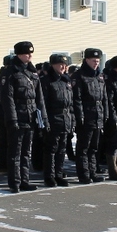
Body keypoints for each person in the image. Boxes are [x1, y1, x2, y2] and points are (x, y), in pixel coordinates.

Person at [1, 41, 48, 192]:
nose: (30, 56)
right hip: (18, 117)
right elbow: (7, 98)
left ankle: (24, 180)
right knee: (15, 152)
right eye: (27, 53)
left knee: (26, 152)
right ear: (19, 54)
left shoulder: (32, 73)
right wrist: (12, 119)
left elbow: (39, 99)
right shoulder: (11, 72)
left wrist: (43, 119)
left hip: (31, 117)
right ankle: (14, 182)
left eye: (31, 53)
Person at [72, 48, 108, 184]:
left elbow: (104, 98)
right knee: (83, 148)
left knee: (94, 148)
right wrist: (80, 117)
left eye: (98, 61)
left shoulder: (99, 76)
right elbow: (77, 99)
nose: (96, 63)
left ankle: (93, 172)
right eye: (93, 61)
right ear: (86, 60)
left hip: (97, 116)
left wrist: (105, 114)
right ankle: (84, 174)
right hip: (86, 117)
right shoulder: (79, 76)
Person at [41, 54, 74, 187]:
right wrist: (45, 121)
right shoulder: (47, 81)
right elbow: (43, 103)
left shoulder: (66, 81)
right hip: (53, 119)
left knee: (62, 150)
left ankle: (59, 174)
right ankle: (49, 176)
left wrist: (72, 120)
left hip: (65, 119)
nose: (63, 67)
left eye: (65, 65)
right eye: (60, 64)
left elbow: (70, 103)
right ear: (53, 65)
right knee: (51, 149)